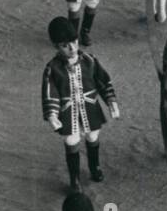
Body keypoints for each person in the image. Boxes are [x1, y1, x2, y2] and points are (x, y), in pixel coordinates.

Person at [42, 17, 120, 189]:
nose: (72, 48)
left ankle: (94, 167)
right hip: (68, 114)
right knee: (71, 142)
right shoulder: (52, 68)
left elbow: (103, 81)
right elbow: (50, 93)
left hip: (90, 109)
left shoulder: (90, 61)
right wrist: (53, 115)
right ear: (56, 46)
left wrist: (111, 102)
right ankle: (74, 179)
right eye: (65, 45)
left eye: (74, 42)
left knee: (93, 137)